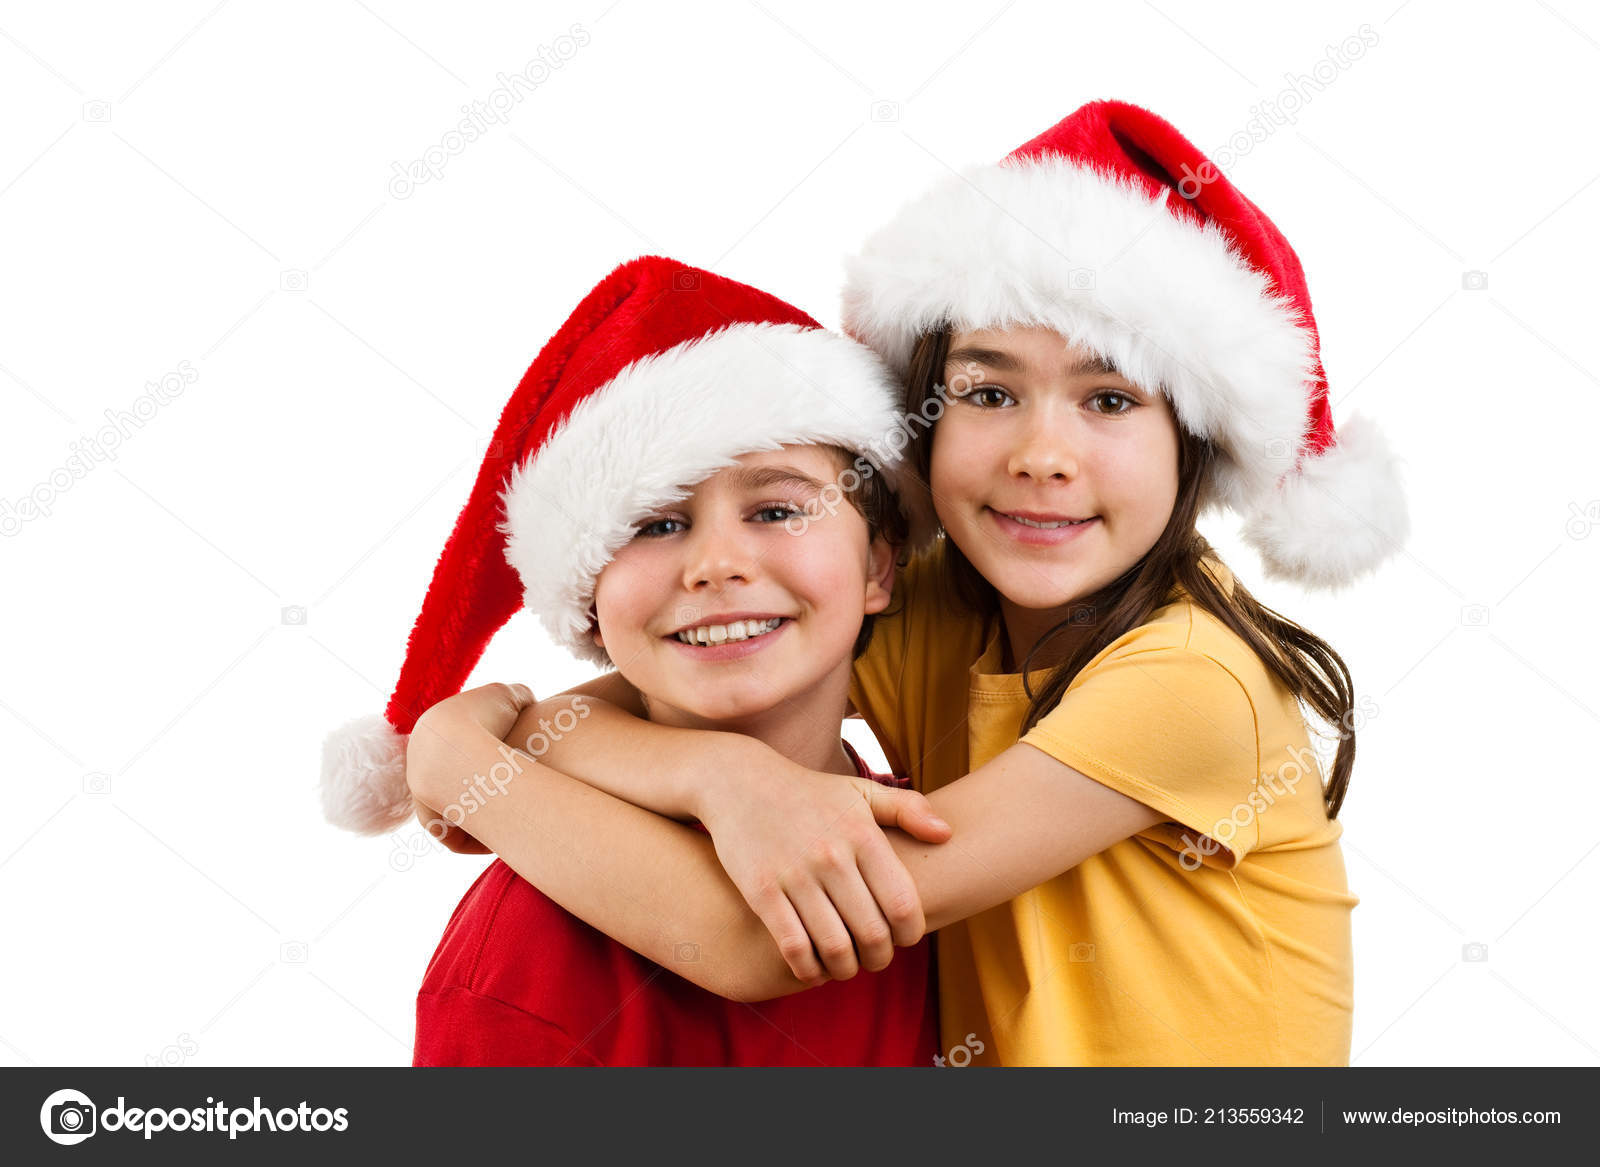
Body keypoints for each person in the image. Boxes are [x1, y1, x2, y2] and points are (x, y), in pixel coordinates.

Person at [403, 101, 1410, 1065]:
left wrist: (458, 766)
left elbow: (767, 943)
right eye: (987, 392)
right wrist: (721, 777)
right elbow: (606, 714)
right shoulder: (934, 607)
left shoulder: (1191, 683)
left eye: (1107, 397)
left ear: (1192, 443)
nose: (1040, 454)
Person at [321, 256, 940, 1065]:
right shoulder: (525, 957)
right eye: (654, 524)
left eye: (779, 508)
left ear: (878, 568)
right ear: (588, 599)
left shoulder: (955, 839)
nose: (716, 564)